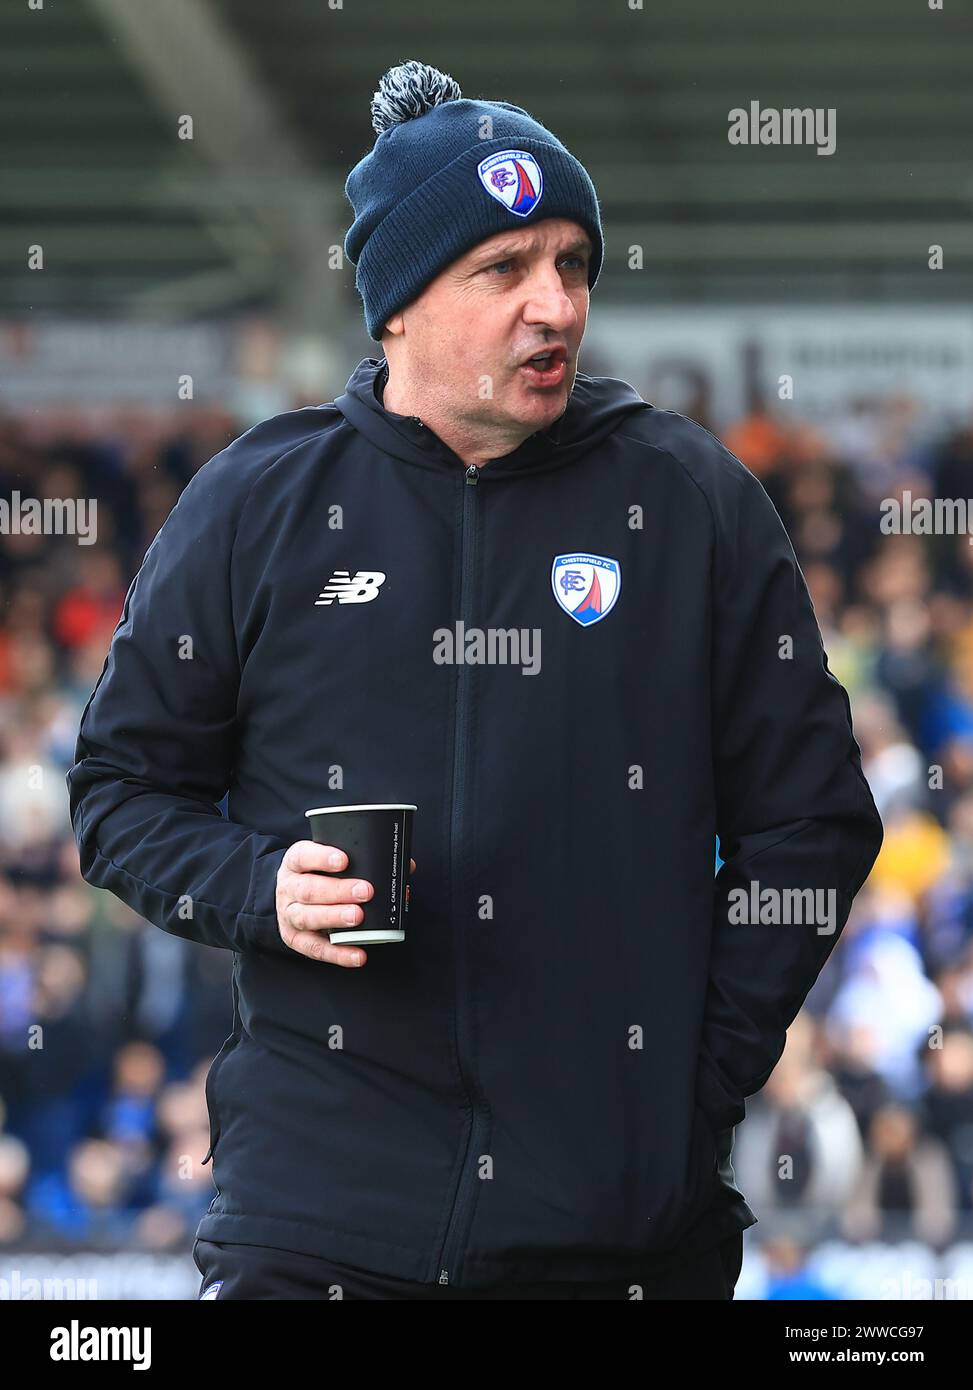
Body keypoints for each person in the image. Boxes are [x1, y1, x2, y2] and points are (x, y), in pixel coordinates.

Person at [66, 60, 884, 1301]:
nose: (552, 304)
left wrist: (690, 1075)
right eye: (501, 270)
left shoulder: (689, 505)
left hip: (611, 1234)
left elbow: (812, 822)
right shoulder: (255, 504)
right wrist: (256, 885)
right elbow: (120, 790)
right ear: (395, 305)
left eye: (571, 264)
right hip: (316, 1218)